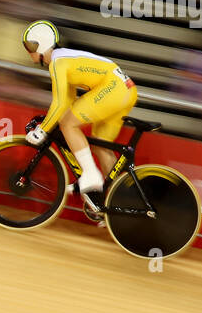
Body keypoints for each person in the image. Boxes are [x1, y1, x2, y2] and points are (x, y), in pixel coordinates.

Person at [21, 20, 136, 219]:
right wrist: (48, 124)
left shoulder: (57, 62)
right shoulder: (63, 58)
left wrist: (42, 130)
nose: (27, 51)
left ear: (40, 45)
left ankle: (90, 174)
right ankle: (120, 203)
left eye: (29, 46)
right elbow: (66, 100)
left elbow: (58, 105)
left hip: (114, 88)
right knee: (102, 147)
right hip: (125, 89)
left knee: (67, 123)